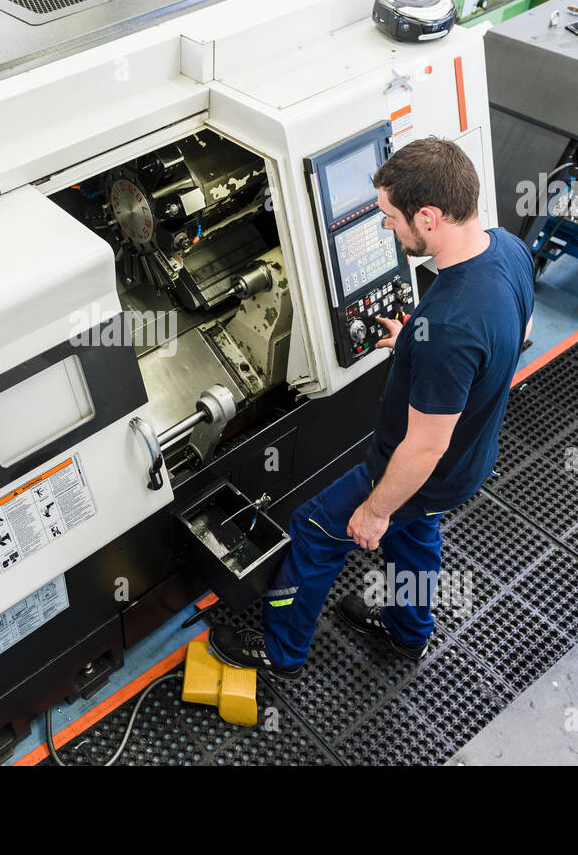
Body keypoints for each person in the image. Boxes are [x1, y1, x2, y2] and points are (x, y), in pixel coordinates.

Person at [209, 137, 534, 674]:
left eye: (390, 217)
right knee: (419, 533)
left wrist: (375, 511)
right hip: (470, 463)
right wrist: (413, 340)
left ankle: (281, 650)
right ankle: (409, 633)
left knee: (317, 530)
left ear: (427, 216)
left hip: (424, 471)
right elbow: (515, 331)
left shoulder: (451, 325)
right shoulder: (505, 249)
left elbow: (425, 446)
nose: (385, 228)